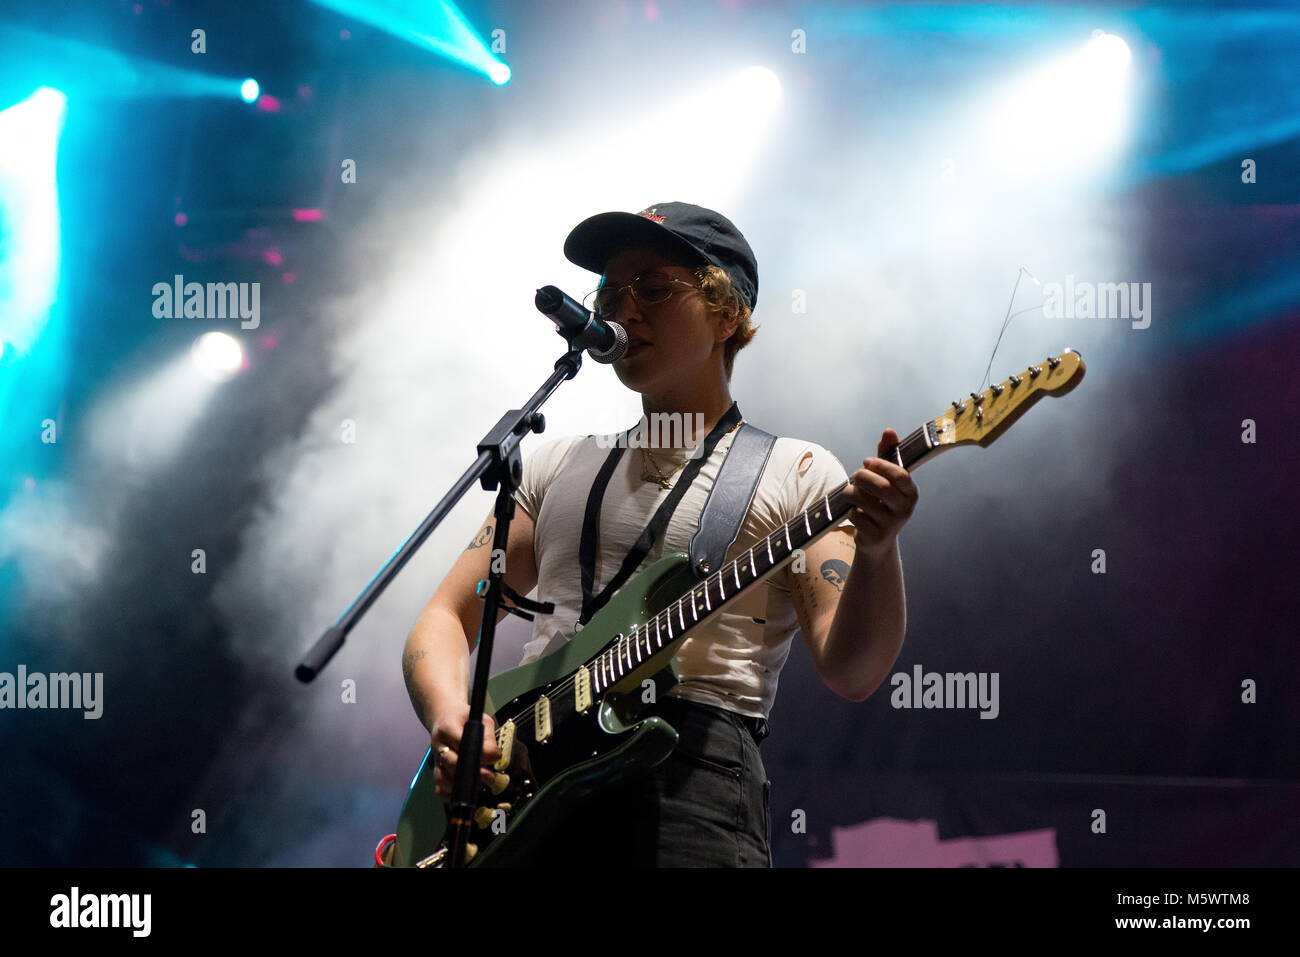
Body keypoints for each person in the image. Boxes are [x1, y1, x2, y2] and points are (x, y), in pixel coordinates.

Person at [401, 202, 917, 866]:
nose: (624, 308)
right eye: (612, 292)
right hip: (526, 793)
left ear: (727, 312)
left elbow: (853, 670)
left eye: (653, 288)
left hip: (690, 789)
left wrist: (877, 550)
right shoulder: (556, 463)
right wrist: (459, 720)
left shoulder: (800, 471)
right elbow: (443, 618)